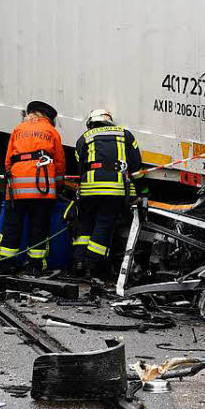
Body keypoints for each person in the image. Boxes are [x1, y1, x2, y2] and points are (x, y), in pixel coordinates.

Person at [0, 100, 66, 275]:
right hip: (42, 190)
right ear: (48, 117)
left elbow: (8, 160)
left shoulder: (18, 129)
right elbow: (60, 163)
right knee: (38, 228)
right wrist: (59, 185)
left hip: (16, 190)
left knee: (11, 227)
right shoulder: (51, 131)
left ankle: (5, 264)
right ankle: (34, 266)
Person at [72, 108, 143, 281]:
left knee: (86, 226)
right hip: (113, 190)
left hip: (88, 190)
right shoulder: (125, 135)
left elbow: (79, 166)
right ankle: (91, 264)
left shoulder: (85, 137)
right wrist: (141, 191)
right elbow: (136, 167)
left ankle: (78, 262)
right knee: (104, 225)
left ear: (91, 123)